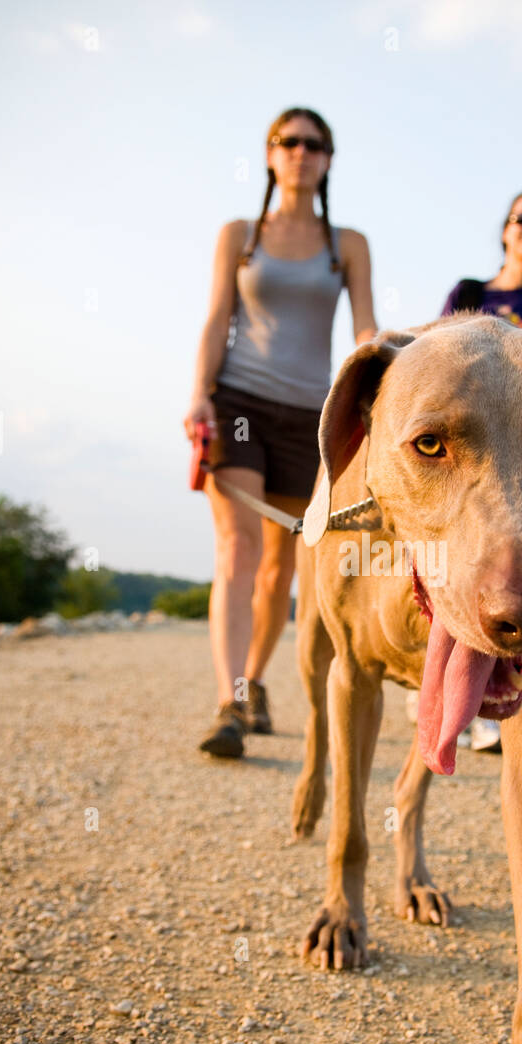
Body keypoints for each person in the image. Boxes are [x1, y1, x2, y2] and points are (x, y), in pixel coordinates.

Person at [184, 107, 377, 757]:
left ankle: (254, 681)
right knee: (236, 551)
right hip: (237, 400)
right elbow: (216, 319)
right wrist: (198, 396)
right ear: (269, 155)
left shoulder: (344, 244)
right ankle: (229, 702)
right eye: (287, 142)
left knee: (278, 569)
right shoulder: (239, 234)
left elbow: (364, 331)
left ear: (328, 159)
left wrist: (382, 390)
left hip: (309, 415)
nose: (300, 152)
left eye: (313, 144)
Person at [409, 186, 522, 752]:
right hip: (470, 456)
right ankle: (448, 687)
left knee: (521, 571)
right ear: (506, 228)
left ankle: (492, 700)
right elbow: (430, 363)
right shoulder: (469, 292)